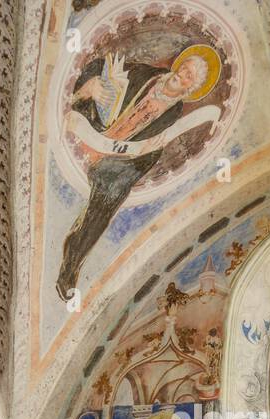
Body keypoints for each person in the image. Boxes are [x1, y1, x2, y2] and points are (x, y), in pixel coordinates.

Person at [56, 44, 221, 298]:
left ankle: (72, 262)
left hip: (118, 160)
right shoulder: (146, 74)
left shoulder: (174, 112)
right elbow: (104, 64)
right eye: (185, 67)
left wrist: (147, 149)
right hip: (93, 128)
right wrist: (92, 84)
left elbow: (150, 155)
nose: (183, 74)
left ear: (192, 88)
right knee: (113, 186)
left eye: (189, 76)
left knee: (113, 193)